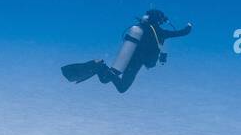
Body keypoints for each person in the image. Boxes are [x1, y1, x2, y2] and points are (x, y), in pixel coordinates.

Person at [61, 10, 192, 93]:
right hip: (134, 63)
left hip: (130, 59)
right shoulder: (159, 32)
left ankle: (100, 66)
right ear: (158, 20)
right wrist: (189, 26)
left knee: (106, 79)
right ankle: (100, 65)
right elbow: (182, 33)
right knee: (122, 88)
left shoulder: (144, 29)